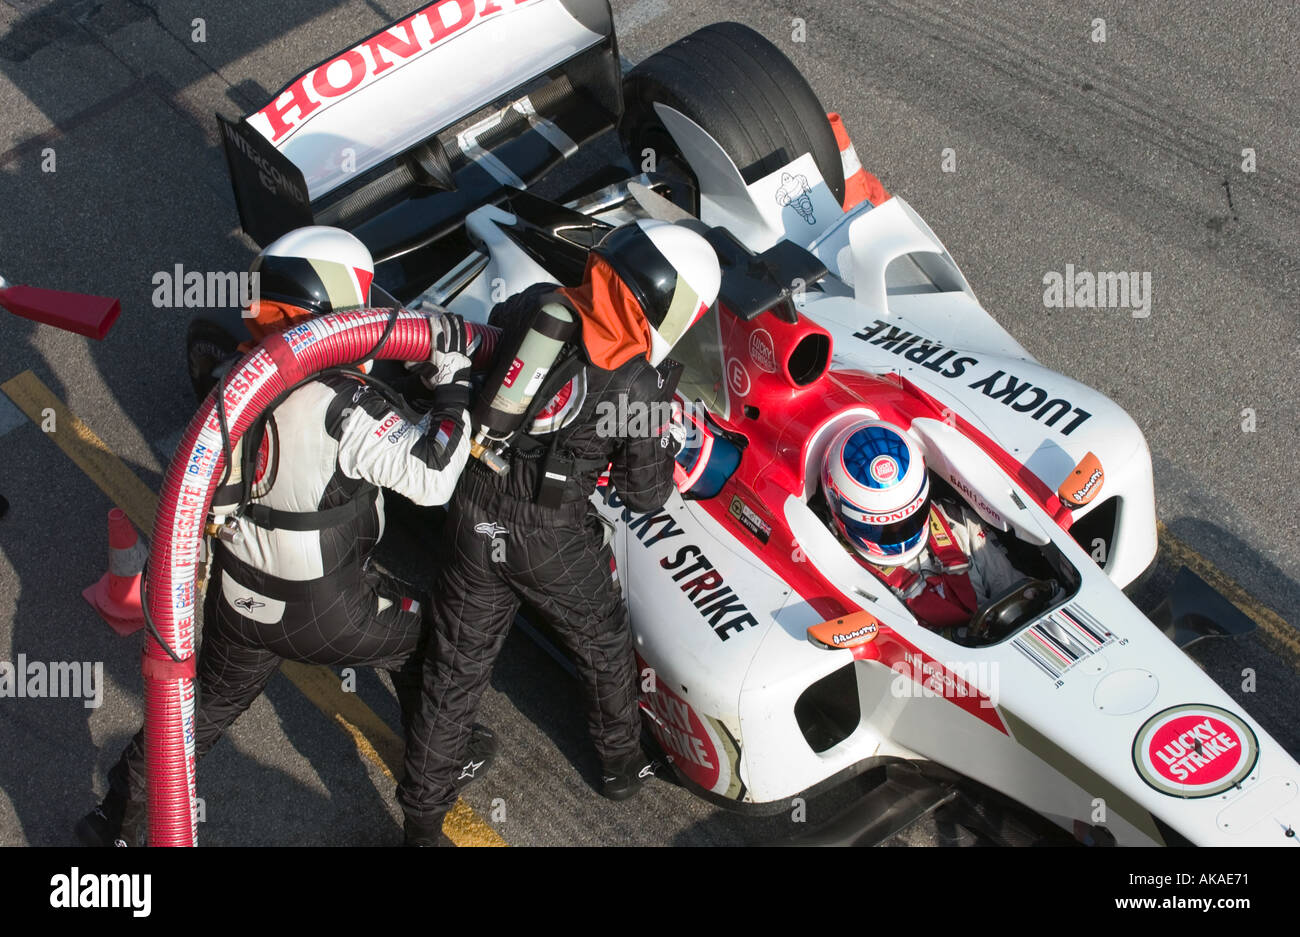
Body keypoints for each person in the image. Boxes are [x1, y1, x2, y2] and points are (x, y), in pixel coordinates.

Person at [78, 226, 490, 846]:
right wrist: (454, 389)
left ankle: (113, 819)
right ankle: (433, 785)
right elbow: (431, 478)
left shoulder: (233, 374)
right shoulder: (345, 404)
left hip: (239, 599)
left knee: (194, 717)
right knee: (436, 641)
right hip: (331, 609)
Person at [398, 219, 722, 846]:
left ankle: (421, 821)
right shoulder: (638, 383)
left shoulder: (534, 304)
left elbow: (493, 345)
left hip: (473, 506)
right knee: (602, 641)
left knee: (456, 667)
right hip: (550, 533)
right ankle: (622, 769)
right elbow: (644, 493)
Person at [820, 419, 1022, 630]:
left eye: (909, 518)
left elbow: (1013, 586)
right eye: (883, 528)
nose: (899, 533)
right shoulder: (841, 569)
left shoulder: (955, 519)